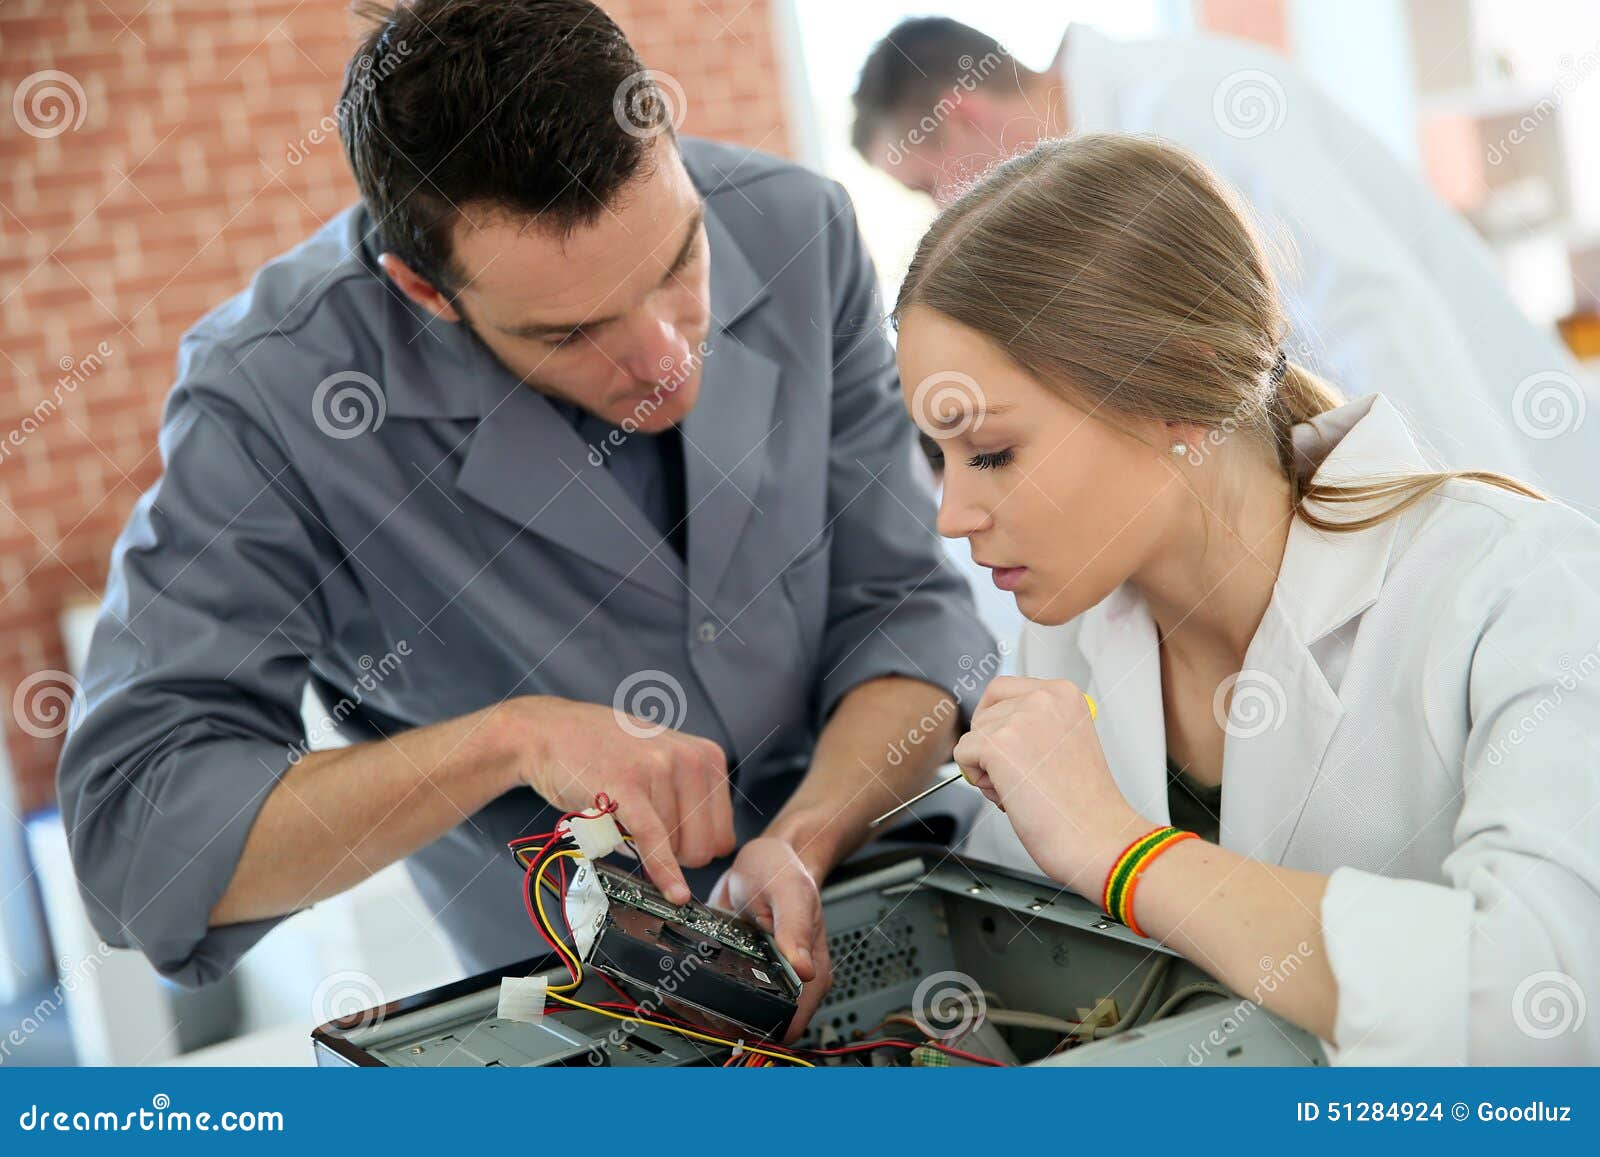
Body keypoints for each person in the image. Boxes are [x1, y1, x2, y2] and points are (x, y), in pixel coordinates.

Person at [55, 0, 994, 1038]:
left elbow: (904, 605)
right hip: (588, 1025)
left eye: (679, 262)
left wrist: (807, 837)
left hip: (902, 903)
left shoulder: (796, 226)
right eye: (574, 330)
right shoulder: (277, 395)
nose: (668, 359)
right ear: (425, 290)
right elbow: (139, 846)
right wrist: (507, 740)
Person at [892, 133, 1600, 1064]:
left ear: (1176, 390)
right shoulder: (1073, 633)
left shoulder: (1519, 586)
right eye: (934, 457)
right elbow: (1019, 966)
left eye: (989, 452)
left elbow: (1543, 1001)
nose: (951, 513)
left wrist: (1128, 853)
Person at [855, 17, 1597, 514]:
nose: (945, 206)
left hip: (1488, 467)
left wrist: (1475, 525)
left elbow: (1371, 315)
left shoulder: (1186, 103)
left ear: (960, 114)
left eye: (929, 181)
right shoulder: (1109, 163)